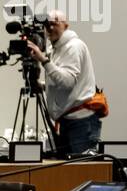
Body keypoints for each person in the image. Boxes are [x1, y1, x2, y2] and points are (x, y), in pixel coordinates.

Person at [26, 10, 101, 156]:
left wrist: (43, 60)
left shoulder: (74, 46)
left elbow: (67, 82)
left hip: (80, 123)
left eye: (54, 24)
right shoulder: (54, 49)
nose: (50, 28)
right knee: (68, 172)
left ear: (66, 25)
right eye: (47, 25)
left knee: (80, 172)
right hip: (68, 121)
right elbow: (60, 83)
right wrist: (42, 85)